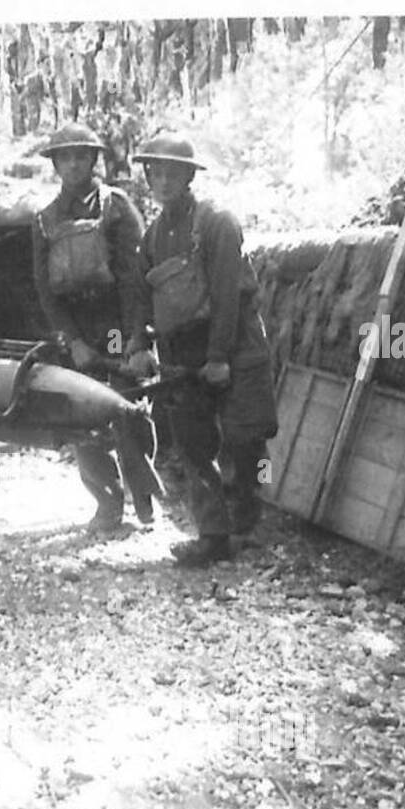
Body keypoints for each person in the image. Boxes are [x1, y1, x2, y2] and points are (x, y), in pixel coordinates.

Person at [126, 133, 278, 567]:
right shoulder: (153, 236)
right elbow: (140, 295)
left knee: (246, 439)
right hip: (182, 355)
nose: (162, 178)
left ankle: (248, 526)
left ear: (190, 175)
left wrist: (218, 358)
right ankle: (212, 534)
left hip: (236, 346)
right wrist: (138, 343)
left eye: (172, 170)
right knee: (193, 446)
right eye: (154, 170)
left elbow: (228, 295)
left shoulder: (217, 222)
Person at [31, 123, 160, 532]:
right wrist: (71, 341)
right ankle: (106, 503)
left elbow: (134, 278)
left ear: (93, 160)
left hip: (117, 323)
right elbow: (45, 291)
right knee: (81, 417)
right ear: (55, 164)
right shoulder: (45, 219)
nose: (73, 164)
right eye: (64, 157)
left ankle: (144, 497)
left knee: (130, 408)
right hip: (78, 330)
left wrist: (136, 339)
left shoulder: (116, 207)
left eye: (81, 156)